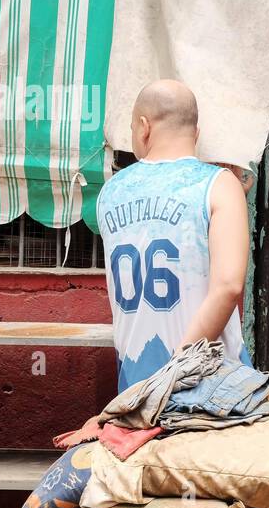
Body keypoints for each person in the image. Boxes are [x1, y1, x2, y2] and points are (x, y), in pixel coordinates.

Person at [97, 79, 251, 390]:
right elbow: (228, 285)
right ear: (197, 132)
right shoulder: (219, 186)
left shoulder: (110, 192)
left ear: (143, 128)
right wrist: (174, 373)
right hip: (209, 387)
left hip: (135, 386)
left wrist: (155, 386)